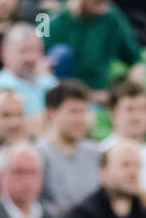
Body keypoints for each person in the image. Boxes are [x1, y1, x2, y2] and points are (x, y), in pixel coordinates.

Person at [44, 0, 145, 96]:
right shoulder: (52, 19)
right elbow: (40, 65)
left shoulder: (111, 16)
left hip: (101, 94)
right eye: (96, 1)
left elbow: (136, 60)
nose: (101, 8)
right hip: (65, 96)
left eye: (106, 1)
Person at [65, 137, 146, 218]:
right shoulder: (84, 217)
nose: (133, 173)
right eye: (125, 165)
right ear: (103, 172)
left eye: (137, 166)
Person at [34, 80, 99, 211]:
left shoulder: (96, 152)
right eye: (73, 112)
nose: (80, 119)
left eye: (83, 111)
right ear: (51, 114)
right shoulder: (38, 155)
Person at [0, 24, 56, 119]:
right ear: (3, 53)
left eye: (36, 51)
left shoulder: (50, 84)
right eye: (23, 51)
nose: (30, 57)